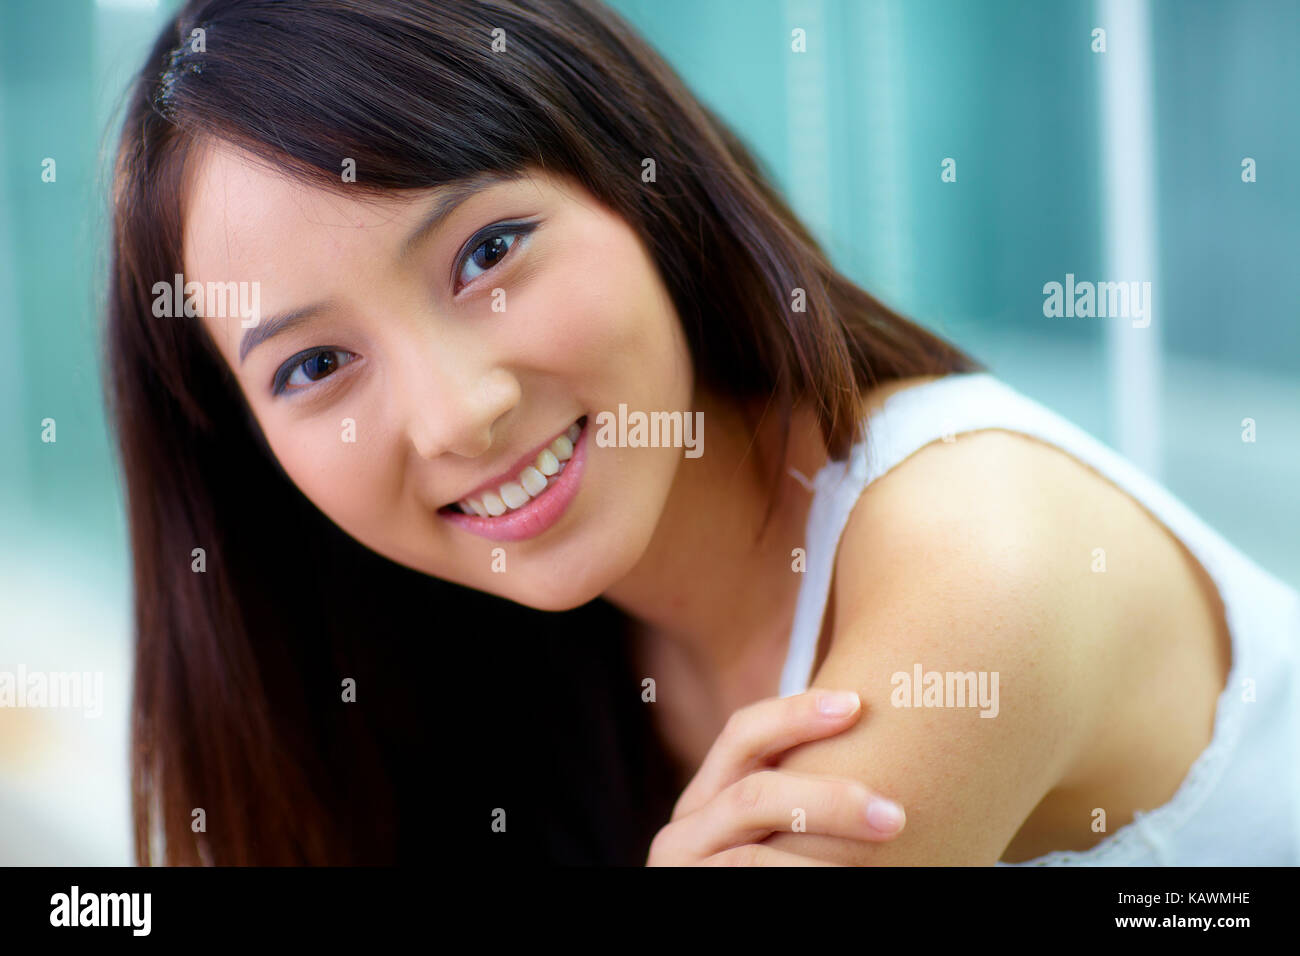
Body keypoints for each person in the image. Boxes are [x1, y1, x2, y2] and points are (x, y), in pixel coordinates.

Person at [105, 0, 1298, 865]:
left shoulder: (978, 550)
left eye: (486, 253)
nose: (458, 410)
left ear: (641, 190)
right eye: (316, 365)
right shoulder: (506, 661)